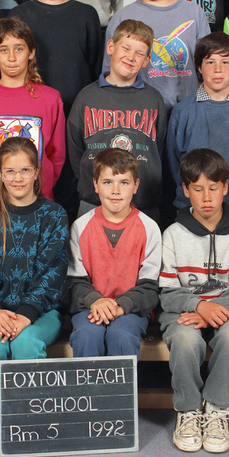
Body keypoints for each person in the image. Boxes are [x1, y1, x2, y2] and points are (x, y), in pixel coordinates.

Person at [0, 137, 70, 448]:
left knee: (25, 344)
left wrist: (26, 315)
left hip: (41, 310)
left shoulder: (54, 216)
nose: (18, 178)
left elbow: (53, 273)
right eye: (10, 171)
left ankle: (28, 411)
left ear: (37, 171)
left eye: (25, 170)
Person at [159, 149, 229, 453]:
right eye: (198, 189)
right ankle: (189, 410)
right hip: (183, 311)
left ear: (225, 188)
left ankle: (217, 409)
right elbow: (166, 292)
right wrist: (199, 306)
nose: (206, 197)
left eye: (213, 188)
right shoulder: (173, 235)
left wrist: (213, 311)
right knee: (185, 340)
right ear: (185, 190)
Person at [9, 0, 103, 219]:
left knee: (72, 176)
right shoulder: (20, 15)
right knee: (34, 171)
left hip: (76, 111)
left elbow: (96, 65)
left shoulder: (86, 14)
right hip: (33, 110)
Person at [69, 19, 169, 224]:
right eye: (126, 48)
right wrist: (91, 186)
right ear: (111, 47)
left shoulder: (154, 99)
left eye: (139, 53)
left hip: (143, 203)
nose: (131, 57)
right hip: (93, 202)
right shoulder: (87, 96)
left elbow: (158, 148)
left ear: (147, 60)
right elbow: (75, 149)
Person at [65, 148, 160, 358]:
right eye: (108, 182)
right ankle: (88, 392)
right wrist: (95, 300)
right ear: (95, 185)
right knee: (87, 335)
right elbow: (74, 282)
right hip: (89, 307)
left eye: (124, 183)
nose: (115, 190)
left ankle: (122, 393)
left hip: (130, 309)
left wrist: (121, 306)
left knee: (122, 335)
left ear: (136, 186)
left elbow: (150, 287)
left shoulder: (149, 227)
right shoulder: (80, 227)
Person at [0, 16, 66, 206]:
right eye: (4, 50)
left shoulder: (50, 99)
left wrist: (42, 186)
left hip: (37, 201)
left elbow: (57, 154)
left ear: (31, 53)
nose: (11, 57)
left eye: (19, 49)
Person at [167, 32, 229, 221]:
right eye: (210, 62)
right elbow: (173, 163)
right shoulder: (183, 111)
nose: (218, 69)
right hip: (191, 211)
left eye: (225, 62)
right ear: (199, 67)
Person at [103, 0, 209, 109]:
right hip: (140, 110)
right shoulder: (122, 18)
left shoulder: (194, 13)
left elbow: (206, 66)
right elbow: (110, 73)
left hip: (188, 108)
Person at [8, 0, 103, 115]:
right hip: (30, 106)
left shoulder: (86, 14)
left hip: (78, 109)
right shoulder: (18, 16)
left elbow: (96, 68)